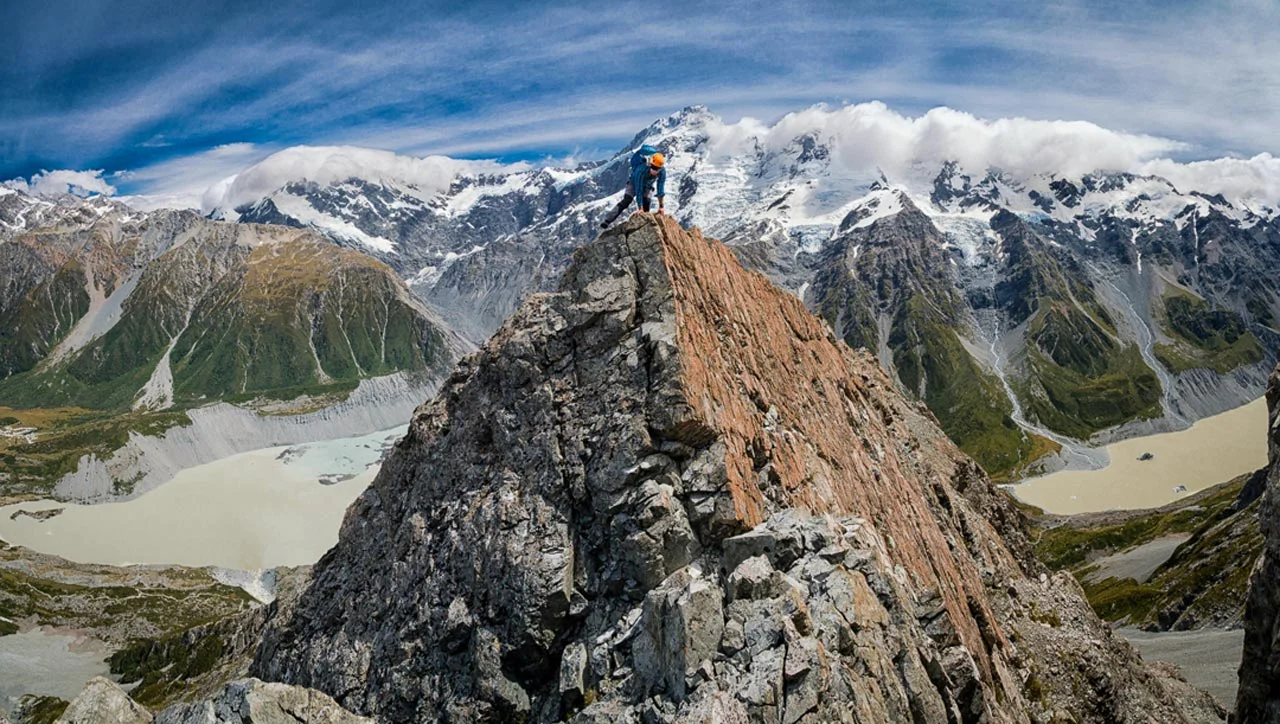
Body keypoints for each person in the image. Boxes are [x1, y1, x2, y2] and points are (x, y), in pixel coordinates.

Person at [601, 145, 666, 228]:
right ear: (650, 163)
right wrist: (640, 208)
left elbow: (660, 188)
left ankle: (645, 226)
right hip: (633, 183)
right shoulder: (641, 169)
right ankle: (607, 221)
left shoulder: (662, 172)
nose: (654, 170)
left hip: (648, 186)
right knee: (627, 200)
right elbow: (638, 189)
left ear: (660, 168)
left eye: (656, 169)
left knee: (646, 202)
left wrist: (661, 207)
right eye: (653, 167)